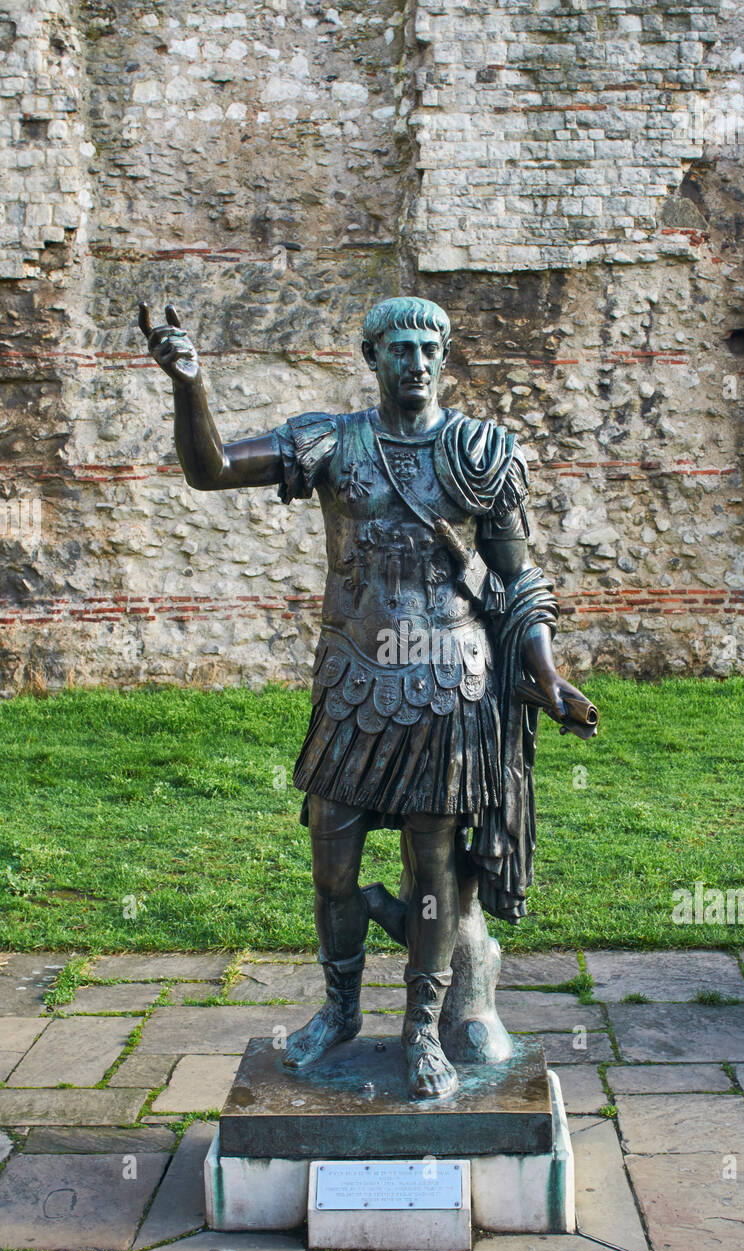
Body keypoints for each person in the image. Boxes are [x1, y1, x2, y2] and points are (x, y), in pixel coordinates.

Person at [140, 295, 583, 1100]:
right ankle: (339, 1009)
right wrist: (188, 383)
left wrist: (547, 675)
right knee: (332, 863)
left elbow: (517, 579)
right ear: (371, 358)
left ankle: (423, 1028)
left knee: (432, 867)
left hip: (453, 680)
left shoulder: (481, 452)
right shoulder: (331, 443)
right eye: (398, 349)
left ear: (443, 357)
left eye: (427, 348)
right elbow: (210, 471)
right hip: (354, 679)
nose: (414, 362)